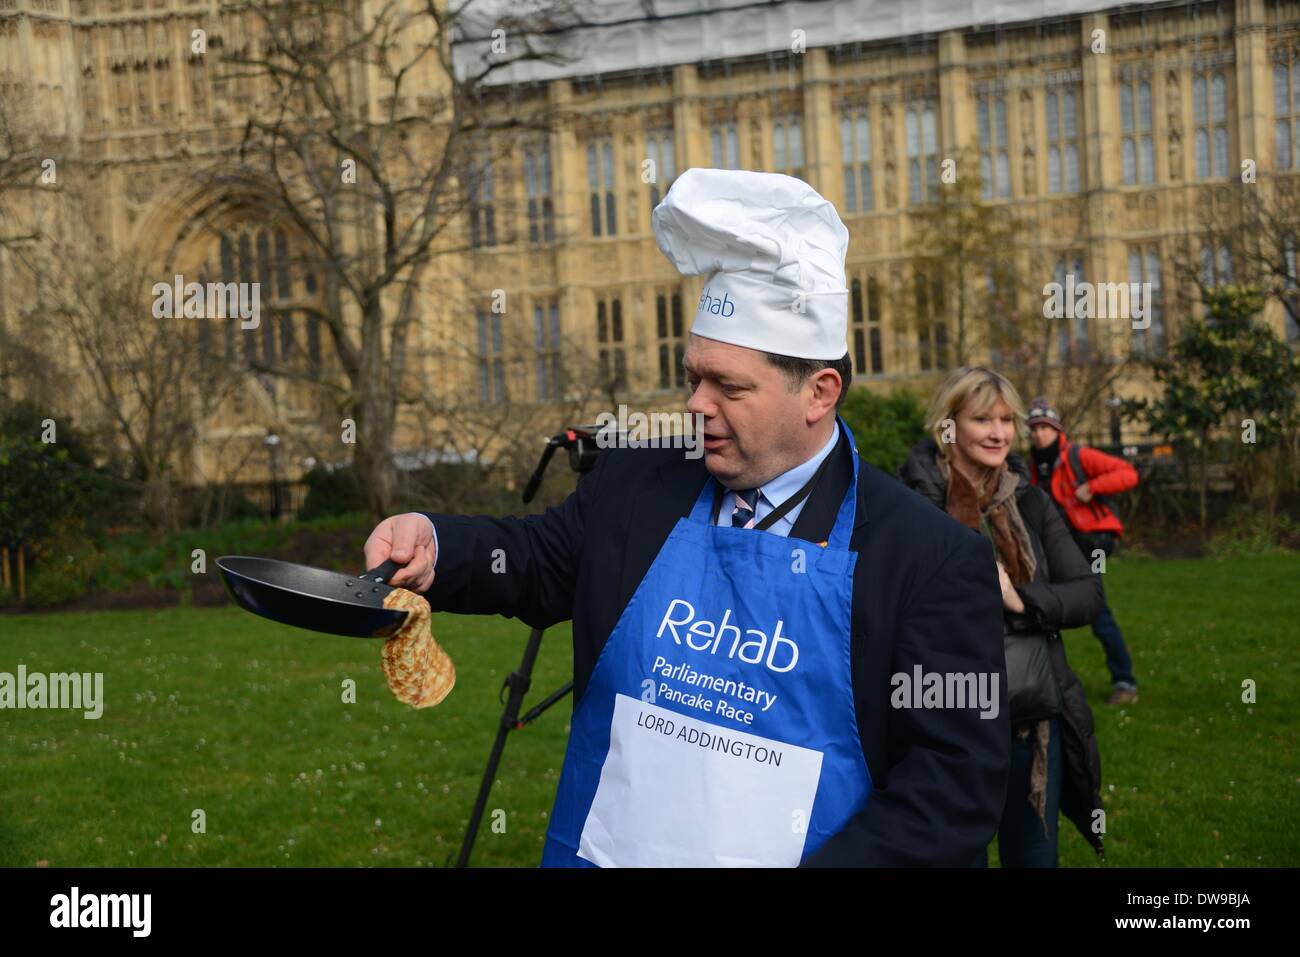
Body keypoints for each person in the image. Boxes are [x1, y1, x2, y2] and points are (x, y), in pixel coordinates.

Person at [364, 168, 1010, 866]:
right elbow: (534, 558)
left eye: (728, 386)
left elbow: (952, 789)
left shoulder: (928, 559)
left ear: (819, 392)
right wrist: (431, 543)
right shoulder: (640, 484)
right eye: (692, 376)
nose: (697, 405)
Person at [898, 367, 1105, 867]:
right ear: (948, 426)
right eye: (981, 419)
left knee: (1034, 858)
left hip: (1030, 723)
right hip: (943, 724)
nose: (999, 433)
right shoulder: (911, 506)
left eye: (1006, 420)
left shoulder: (1031, 502)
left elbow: (1087, 593)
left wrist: (1020, 598)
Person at [1026, 398, 1141, 706]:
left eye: (1045, 428)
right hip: (1060, 548)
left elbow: (1128, 473)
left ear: (1057, 429)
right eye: (1034, 428)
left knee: (1097, 609)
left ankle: (1124, 682)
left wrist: (1093, 487)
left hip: (1094, 544)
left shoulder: (1078, 456)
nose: (1039, 434)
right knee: (1043, 607)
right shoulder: (1032, 467)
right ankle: (1042, 679)